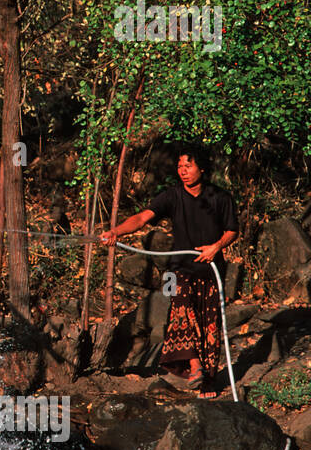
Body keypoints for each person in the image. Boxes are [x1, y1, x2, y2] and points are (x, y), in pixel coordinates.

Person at [100, 144, 239, 395]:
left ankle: (207, 382)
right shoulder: (171, 196)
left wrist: (216, 247)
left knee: (210, 325)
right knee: (181, 309)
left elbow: (232, 230)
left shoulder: (220, 197)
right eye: (179, 167)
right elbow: (142, 218)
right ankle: (195, 366)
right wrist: (115, 232)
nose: (183, 171)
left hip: (211, 269)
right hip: (179, 269)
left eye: (188, 166)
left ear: (202, 168)